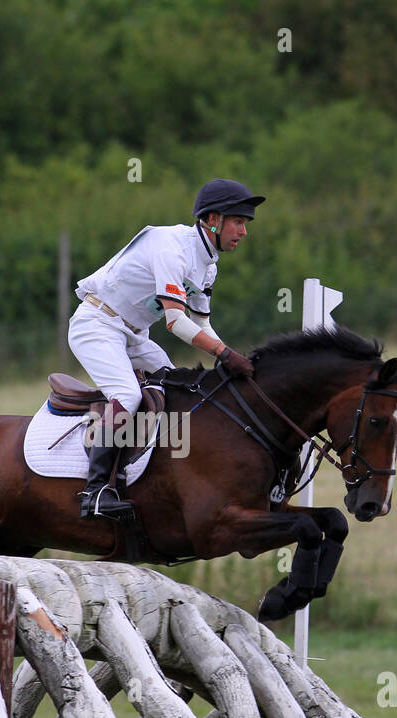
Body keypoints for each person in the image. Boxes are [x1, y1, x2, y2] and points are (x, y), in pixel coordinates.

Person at [69, 178, 264, 519]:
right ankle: (95, 491)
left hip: (133, 335)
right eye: (238, 222)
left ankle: (159, 474)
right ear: (213, 220)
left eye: (245, 223)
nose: (243, 232)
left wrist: (228, 357)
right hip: (97, 324)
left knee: (174, 384)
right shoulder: (171, 248)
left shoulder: (209, 266)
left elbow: (202, 326)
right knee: (128, 396)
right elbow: (175, 322)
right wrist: (224, 355)